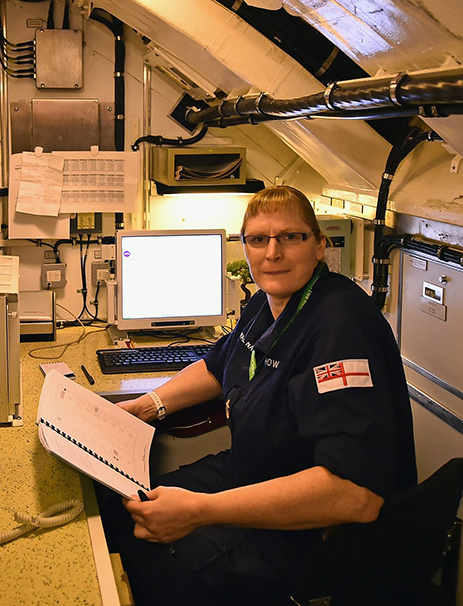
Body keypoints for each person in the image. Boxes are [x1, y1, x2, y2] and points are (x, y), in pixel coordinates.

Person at [102, 185, 417, 606]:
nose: (273, 253)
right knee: (124, 504)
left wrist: (198, 511)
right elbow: (216, 366)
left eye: (290, 237)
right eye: (258, 239)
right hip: (250, 471)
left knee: (152, 556)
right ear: (245, 246)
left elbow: (355, 495)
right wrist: (145, 407)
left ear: (319, 246)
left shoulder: (342, 328)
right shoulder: (267, 302)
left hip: (311, 532)